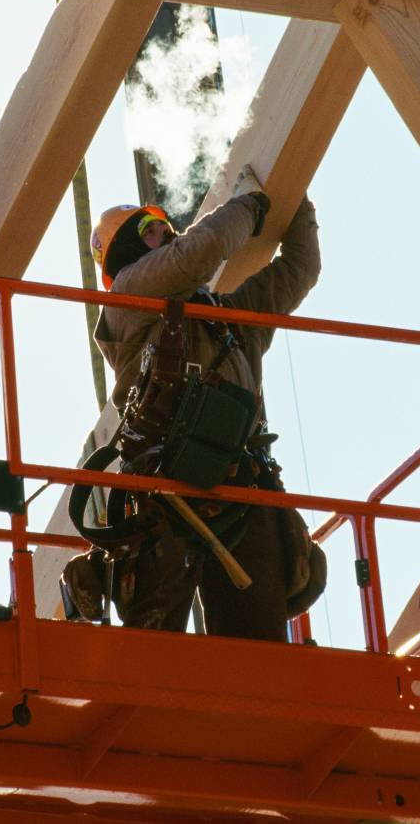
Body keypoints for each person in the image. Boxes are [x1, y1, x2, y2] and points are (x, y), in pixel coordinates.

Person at [68, 182, 324, 640]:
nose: (166, 233)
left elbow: (300, 269)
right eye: (151, 229)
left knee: (260, 655)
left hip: (240, 489)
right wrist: (252, 204)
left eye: (167, 226)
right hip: (164, 494)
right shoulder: (129, 294)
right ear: (125, 251)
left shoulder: (228, 318)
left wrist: (294, 196)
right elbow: (196, 253)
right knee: (154, 651)